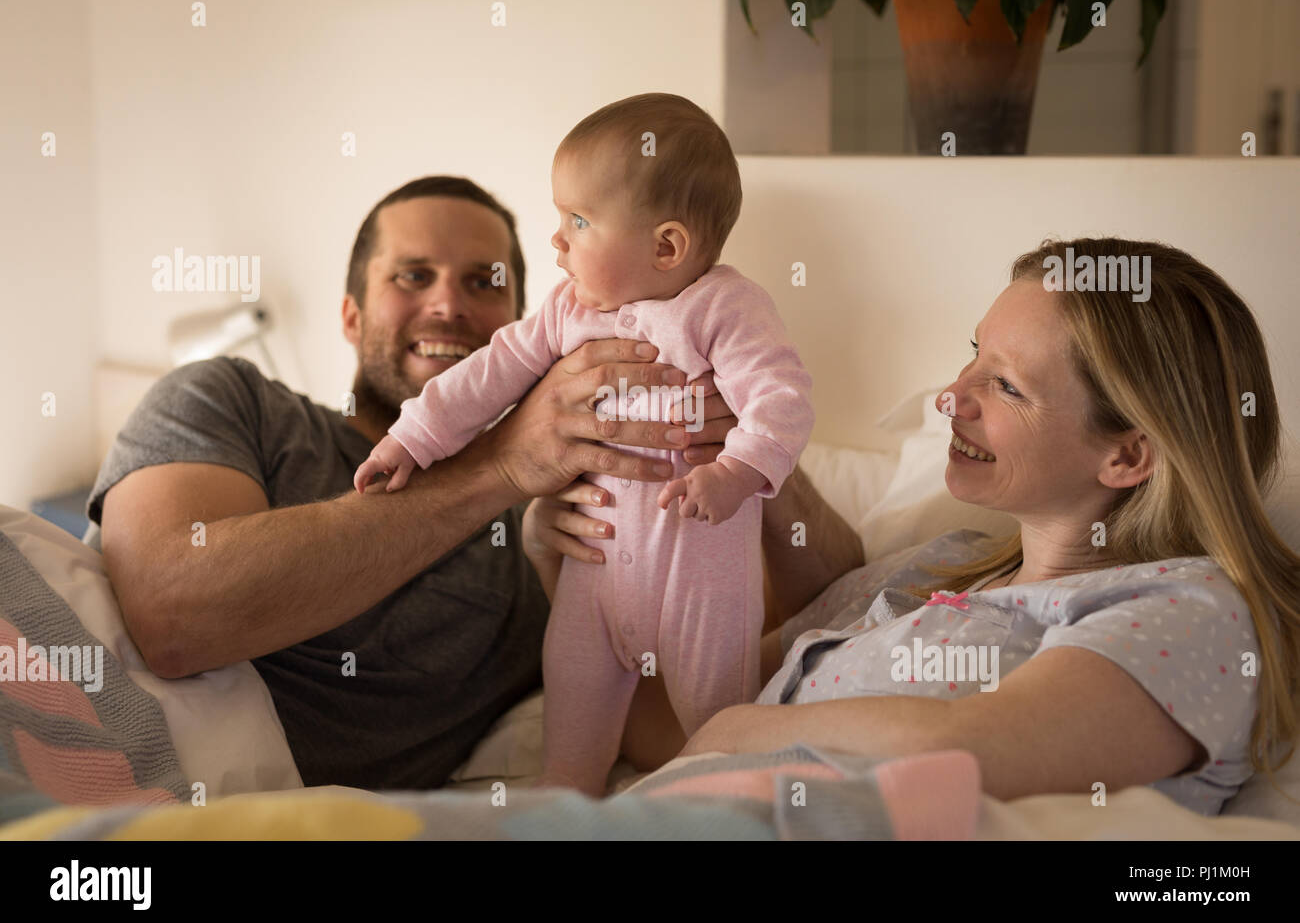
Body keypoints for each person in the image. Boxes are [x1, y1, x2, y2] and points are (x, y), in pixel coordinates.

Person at [86, 175, 806, 790]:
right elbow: (173, 613)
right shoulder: (231, 401)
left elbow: (680, 711)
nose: (447, 306)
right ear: (350, 314)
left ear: (526, 324)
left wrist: (747, 447)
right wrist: (496, 466)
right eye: (412, 276)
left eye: (483, 282)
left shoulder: (556, 510)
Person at [535, 237, 1300, 814]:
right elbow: (652, 731)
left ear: (1128, 455)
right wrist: (570, 558)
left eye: (1005, 385)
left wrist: (733, 730)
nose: (950, 397)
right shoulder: (940, 569)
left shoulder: (1190, 612)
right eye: (974, 355)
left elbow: (966, 751)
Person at [353, 94, 815, 797]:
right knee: (572, 712)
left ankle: (728, 799)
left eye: (577, 220)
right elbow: (489, 372)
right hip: (593, 570)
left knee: (718, 732)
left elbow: (780, 398)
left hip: (697, 580)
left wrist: (738, 470)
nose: (556, 242)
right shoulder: (568, 310)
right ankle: (567, 797)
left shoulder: (723, 307)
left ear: (666, 246)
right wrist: (413, 436)